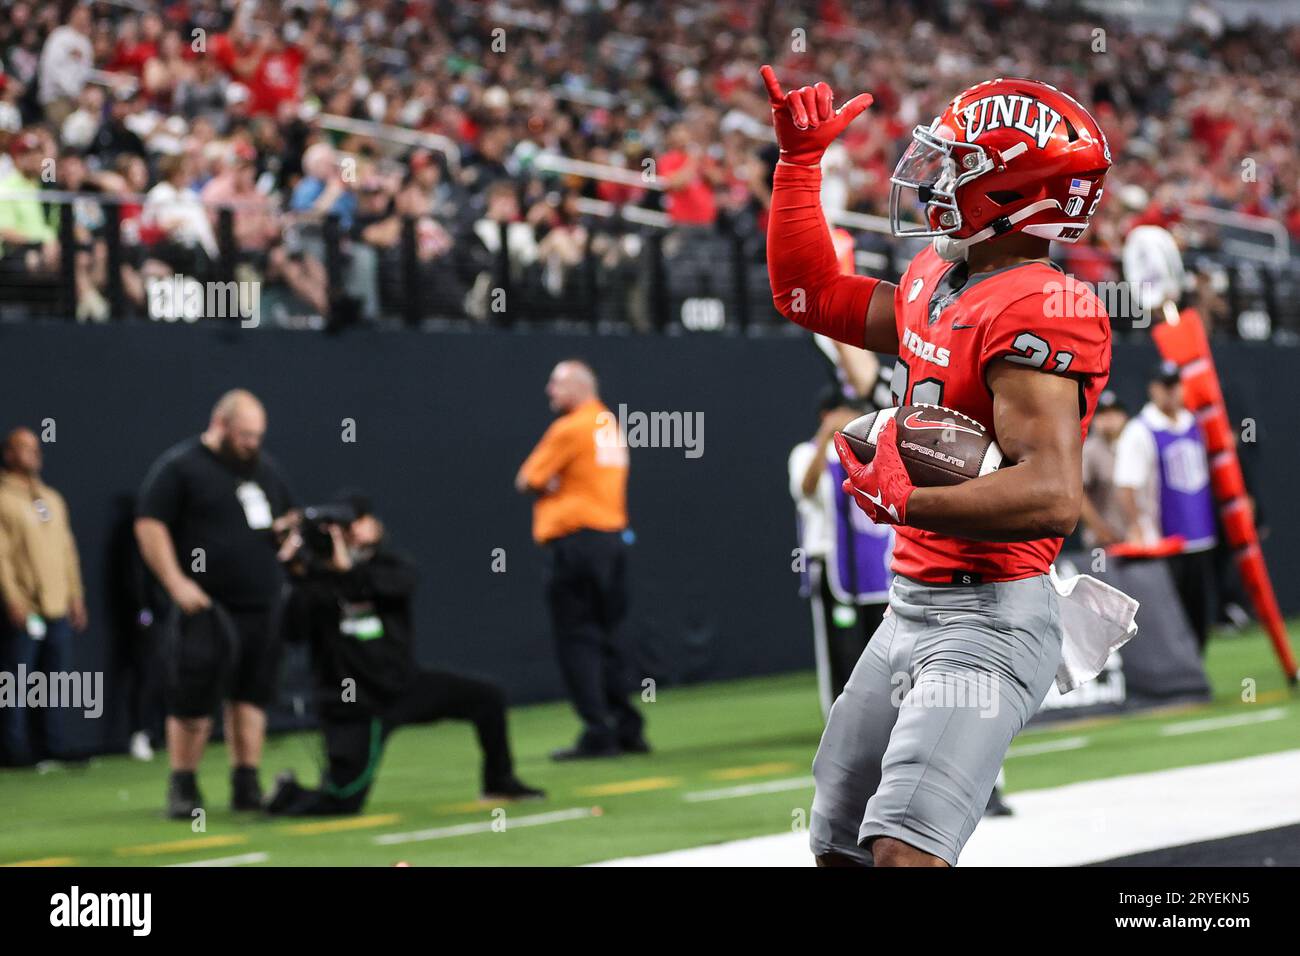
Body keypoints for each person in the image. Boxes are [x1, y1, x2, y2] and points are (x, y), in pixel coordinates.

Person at [763, 66, 1116, 866]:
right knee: (839, 846)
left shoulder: (1037, 304)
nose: (934, 177)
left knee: (903, 854)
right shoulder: (938, 274)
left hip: (986, 618)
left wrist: (907, 500)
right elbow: (807, 294)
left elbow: (1053, 496)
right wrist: (797, 168)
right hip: (909, 607)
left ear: (1013, 192)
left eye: (958, 164)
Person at [265, 492, 543, 814]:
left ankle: (500, 782)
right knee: (341, 801)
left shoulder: (387, 567)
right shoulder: (313, 582)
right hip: (353, 703)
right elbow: (293, 631)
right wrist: (297, 573)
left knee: (487, 697)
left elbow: (392, 587)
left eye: (354, 523)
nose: (350, 532)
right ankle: (288, 793)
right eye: (342, 527)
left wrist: (345, 568)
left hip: (402, 686)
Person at [135, 390, 295, 818]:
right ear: (220, 425)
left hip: (259, 605)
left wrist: (289, 533)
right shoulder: (180, 468)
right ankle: (183, 785)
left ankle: (247, 782)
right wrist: (175, 583)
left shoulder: (265, 471)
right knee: (194, 695)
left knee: (251, 696)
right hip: (206, 608)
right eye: (245, 435)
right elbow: (150, 524)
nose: (252, 444)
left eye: (258, 436)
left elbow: (282, 520)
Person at [515, 360, 648, 761]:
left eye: (556, 384)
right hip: (612, 541)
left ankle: (598, 730)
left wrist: (553, 484)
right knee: (609, 636)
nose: (549, 392)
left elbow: (526, 480)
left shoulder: (569, 428)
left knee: (578, 640)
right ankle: (627, 725)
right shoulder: (607, 423)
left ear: (577, 387)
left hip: (575, 545)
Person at [789, 390, 887, 716]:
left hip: (871, 565)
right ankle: (839, 715)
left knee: (881, 644)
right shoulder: (806, 453)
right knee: (840, 649)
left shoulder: (863, 451)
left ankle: (881, 714)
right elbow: (805, 489)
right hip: (830, 563)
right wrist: (825, 438)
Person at [1113, 362, 1218, 652]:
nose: (1172, 392)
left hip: (1200, 534)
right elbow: (1125, 485)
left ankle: (1197, 665)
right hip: (1162, 539)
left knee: (1199, 609)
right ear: (1153, 389)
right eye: (1165, 385)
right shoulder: (1140, 430)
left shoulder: (1194, 423)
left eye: (1176, 384)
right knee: (1171, 612)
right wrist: (1135, 526)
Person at [0, 427, 88, 766]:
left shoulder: (51, 499)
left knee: (57, 680)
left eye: (37, 448)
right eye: (24, 448)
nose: (34, 454)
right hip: (26, 607)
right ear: (8, 454)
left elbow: (67, 550)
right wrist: (12, 599)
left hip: (58, 606)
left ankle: (54, 746)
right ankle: (15, 751)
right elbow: (2, 557)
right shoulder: (4, 500)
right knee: (18, 682)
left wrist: (75, 595)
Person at [1080, 391, 1130, 550]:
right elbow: (1077, 493)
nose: (1109, 418)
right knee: (1099, 574)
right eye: (1103, 413)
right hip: (1102, 544)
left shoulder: (1133, 445)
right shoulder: (1090, 450)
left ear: (1124, 416)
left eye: (1114, 412)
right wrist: (1099, 529)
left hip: (1134, 538)